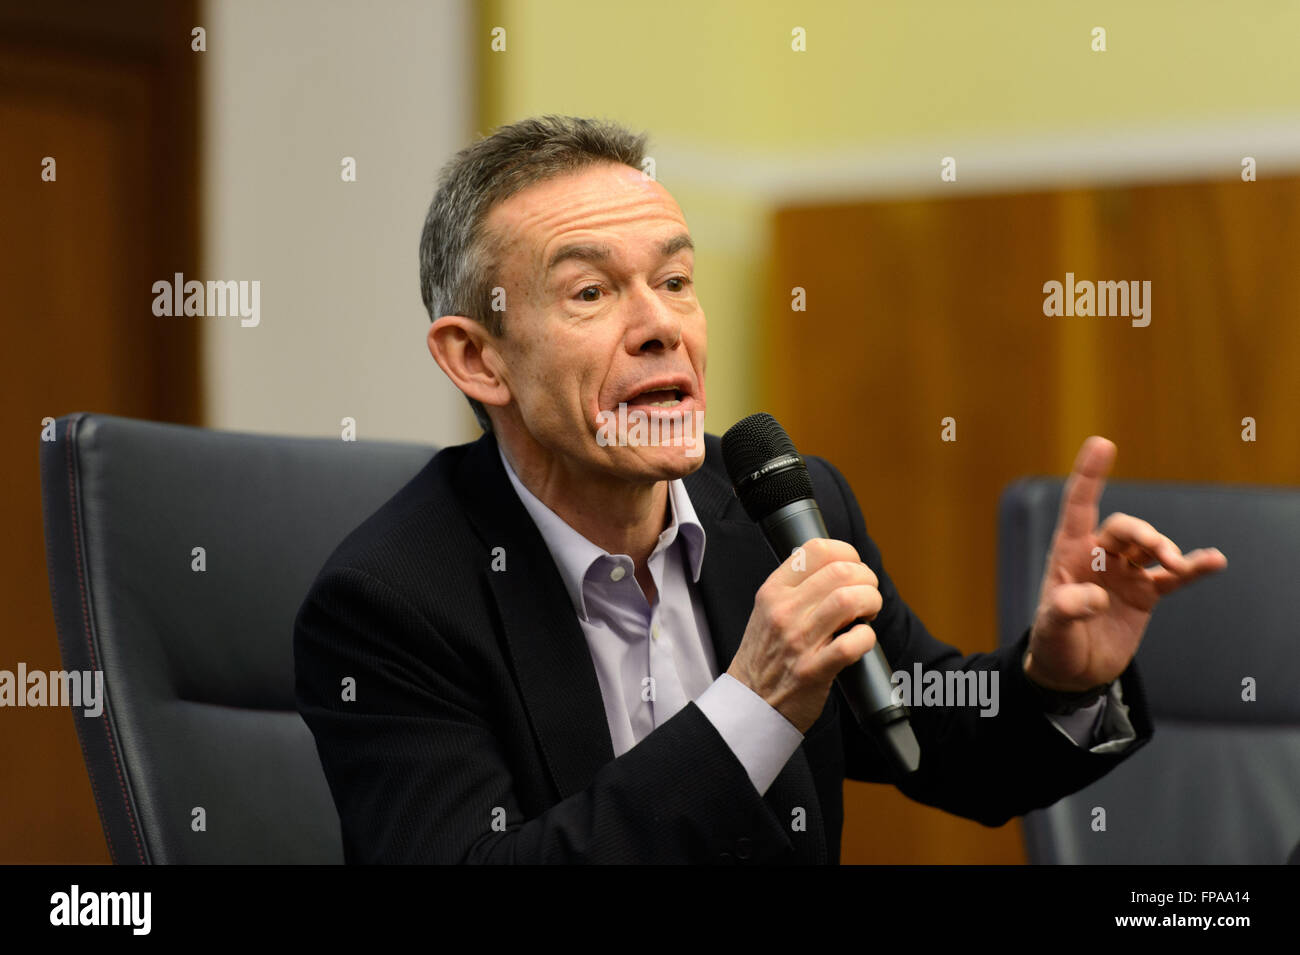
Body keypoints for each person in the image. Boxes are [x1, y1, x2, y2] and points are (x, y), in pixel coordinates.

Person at [292, 115, 1228, 864]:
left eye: (676, 279)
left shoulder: (776, 508)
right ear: (476, 357)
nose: (661, 324)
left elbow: (931, 739)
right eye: (591, 293)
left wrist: (1060, 678)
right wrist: (753, 701)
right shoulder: (393, 603)